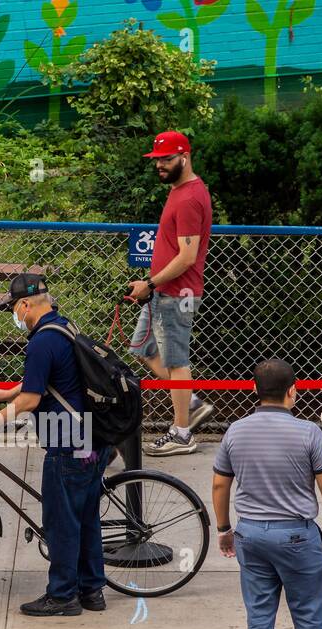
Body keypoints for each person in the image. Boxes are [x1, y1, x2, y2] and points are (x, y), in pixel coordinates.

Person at [214, 360, 322, 629]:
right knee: (308, 612)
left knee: (259, 613)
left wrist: (224, 528)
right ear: (293, 390)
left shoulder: (236, 431)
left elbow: (219, 483)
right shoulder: (308, 433)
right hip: (297, 537)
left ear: (256, 391)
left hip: (251, 534)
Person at [0, 274, 113, 616]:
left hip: (67, 441)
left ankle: (62, 596)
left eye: (14, 307)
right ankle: (91, 591)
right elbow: (53, 376)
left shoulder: (39, 342)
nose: (14, 314)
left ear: (24, 305)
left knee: (61, 521)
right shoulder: (65, 326)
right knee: (85, 517)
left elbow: (32, 399)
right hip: (92, 437)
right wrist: (9, 392)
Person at [126, 130, 214, 457]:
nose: (160, 165)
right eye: (157, 160)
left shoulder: (190, 197)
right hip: (163, 290)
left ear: (184, 157)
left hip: (177, 293)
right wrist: (152, 285)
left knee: (176, 360)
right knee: (142, 347)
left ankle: (181, 433)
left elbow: (188, 256)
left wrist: (149, 284)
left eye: (166, 159)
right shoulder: (179, 190)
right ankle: (190, 403)